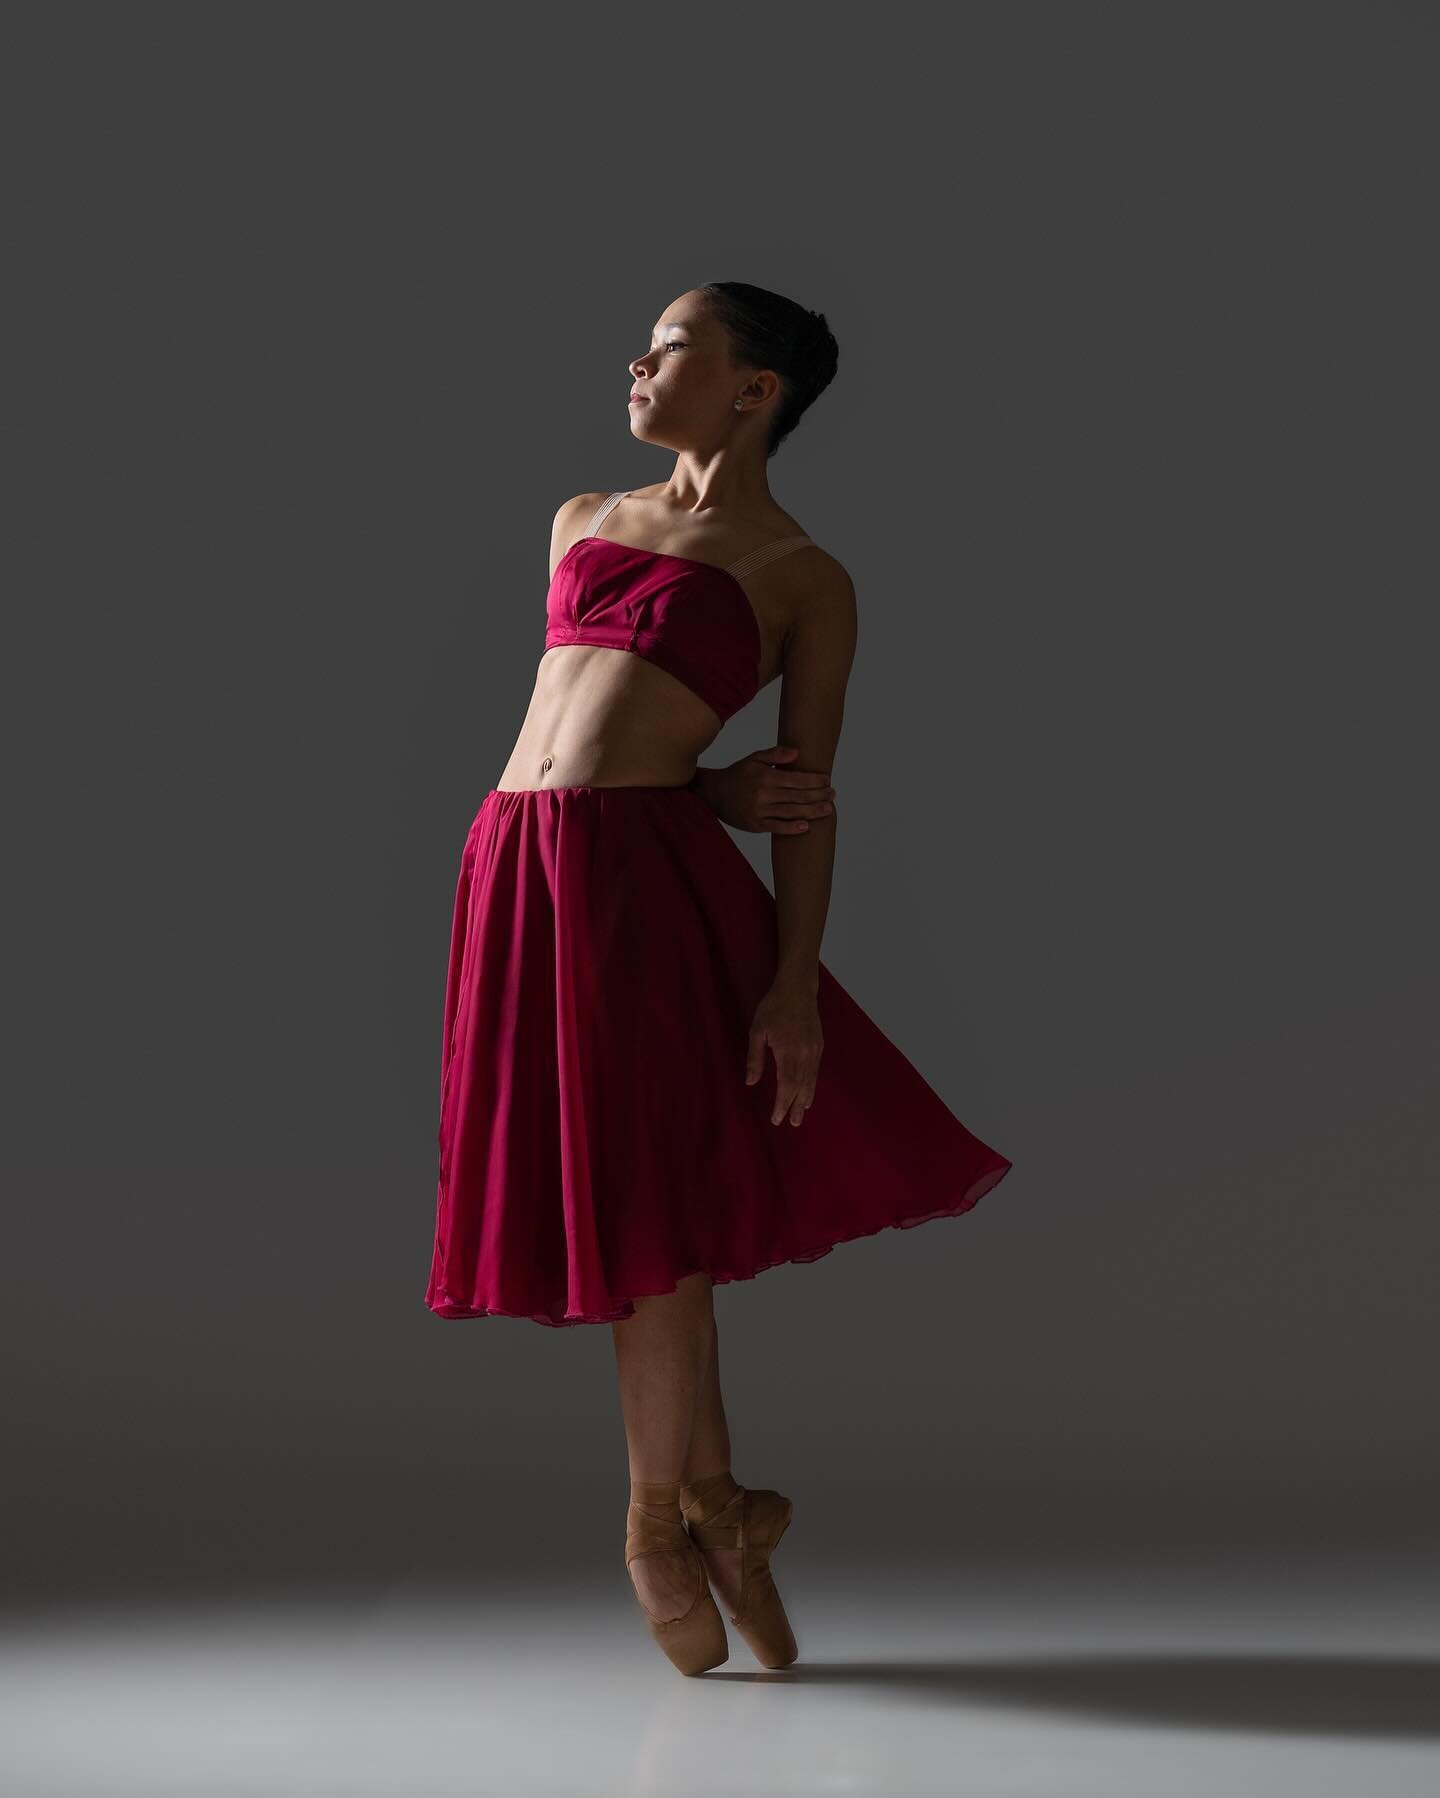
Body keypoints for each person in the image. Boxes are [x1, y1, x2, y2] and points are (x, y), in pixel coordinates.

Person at [425, 282, 1014, 1674]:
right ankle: (719, 1507)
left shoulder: (806, 577)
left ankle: (655, 1523)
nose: (640, 358)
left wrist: (795, 984)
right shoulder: (581, 518)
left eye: (677, 344)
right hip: (517, 868)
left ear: (757, 391)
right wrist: (705, 783)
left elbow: (808, 797)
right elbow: (579, 731)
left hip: (641, 895)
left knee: (647, 1210)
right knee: (642, 1204)